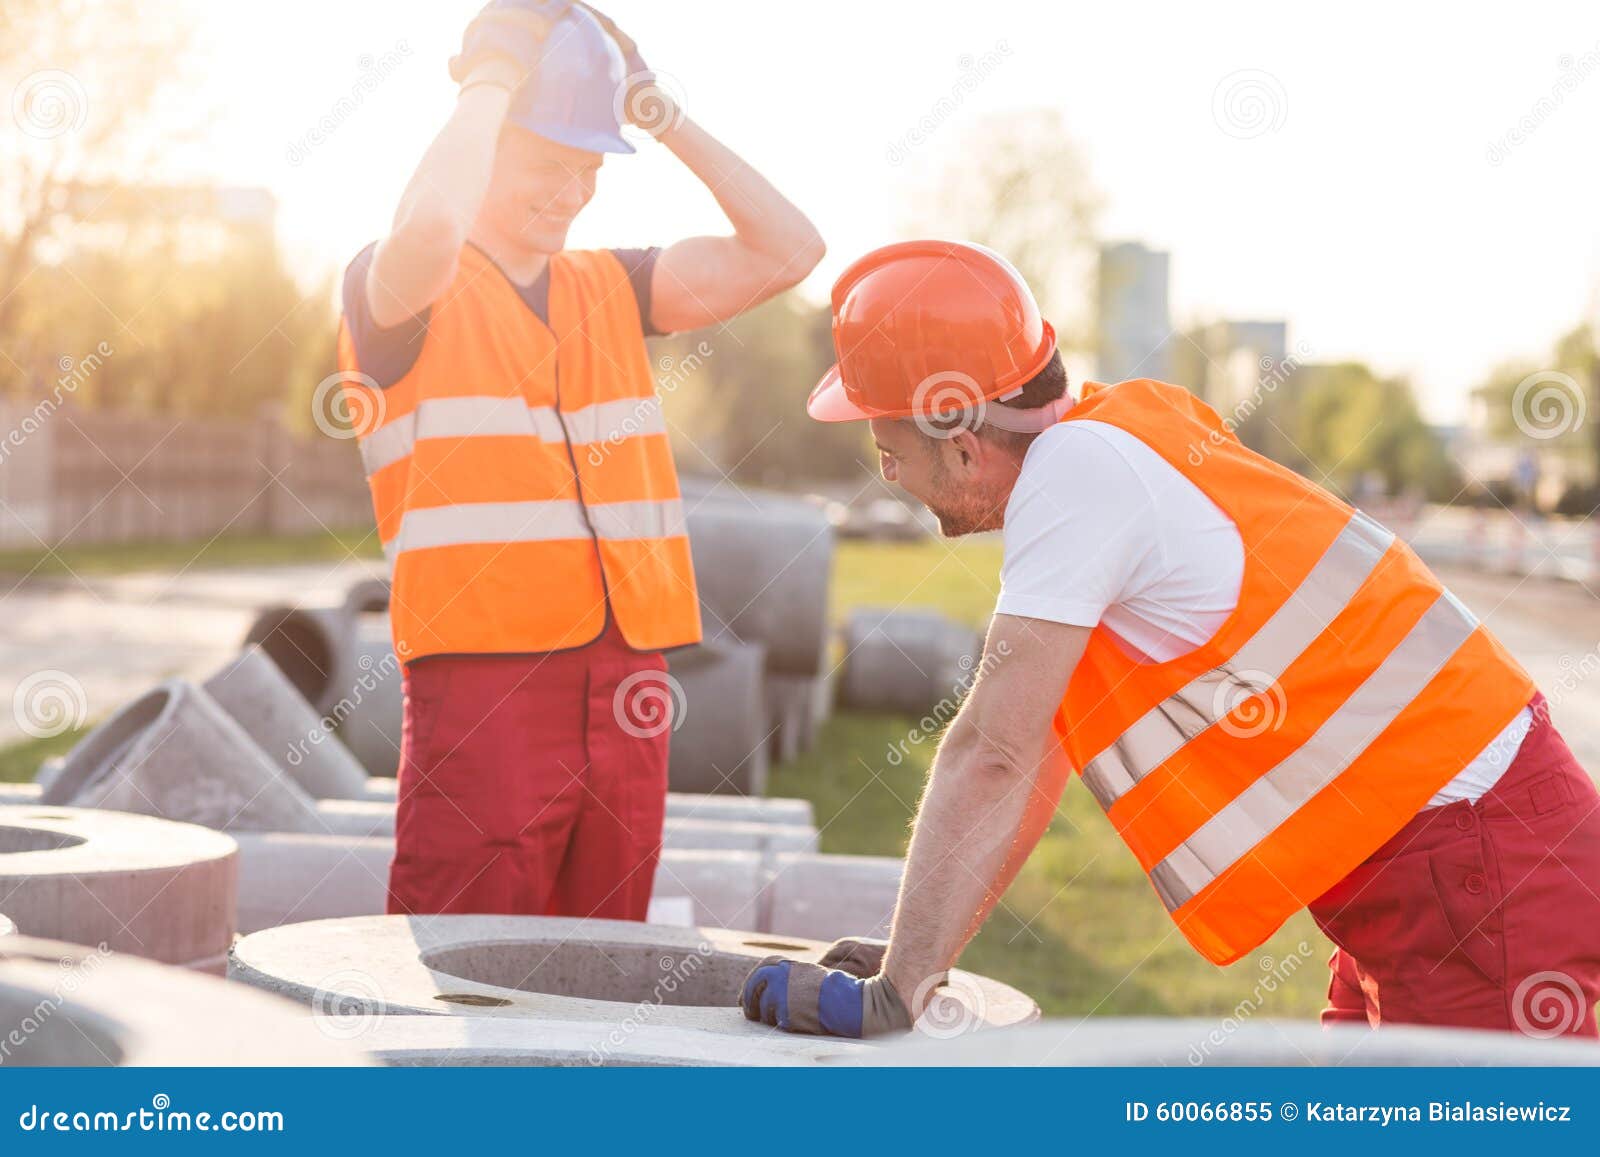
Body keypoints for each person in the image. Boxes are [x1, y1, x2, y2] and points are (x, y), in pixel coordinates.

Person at [740, 239, 1600, 1039]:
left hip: (1475, 866)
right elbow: (1025, 764)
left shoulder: (1075, 478)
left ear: (964, 448)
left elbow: (990, 752)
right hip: (1444, 857)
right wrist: (917, 959)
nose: (888, 474)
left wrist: (896, 992)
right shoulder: (1118, 436)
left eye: (889, 450)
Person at [337, 0, 823, 920]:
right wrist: (491, 75)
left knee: (603, 959)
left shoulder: (611, 284)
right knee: (466, 963)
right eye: (549, 163)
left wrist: (658, 112)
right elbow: (434, 224)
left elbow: (791, 248)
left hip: (629, 677)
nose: (572, 191)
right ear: (485, 144)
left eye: (590, 167)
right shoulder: (394, 287)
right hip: (486, 681)